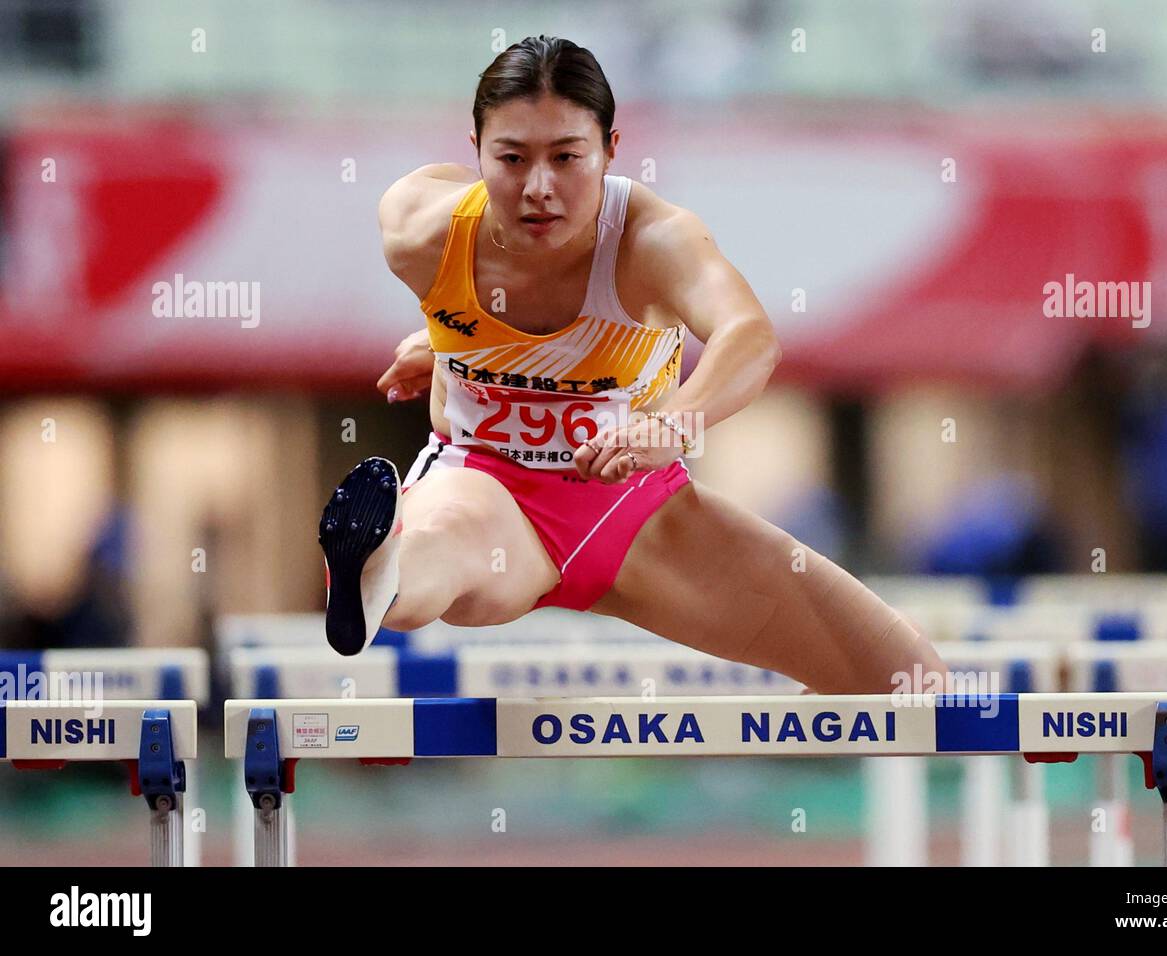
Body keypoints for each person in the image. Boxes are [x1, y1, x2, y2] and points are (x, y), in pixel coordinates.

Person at [319, 35, 946, 694]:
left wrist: (673, 423)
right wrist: (443, 337)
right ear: (474, 150)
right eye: (511, 158)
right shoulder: (420, 231)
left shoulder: (652, 239)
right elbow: (462, 305)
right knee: (443, 557)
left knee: (909, 681)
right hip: (487, 482)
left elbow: (749, 337)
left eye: (567, 157)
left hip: (638, 513)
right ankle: (374, 569)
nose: (539, 188)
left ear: (611, 149)